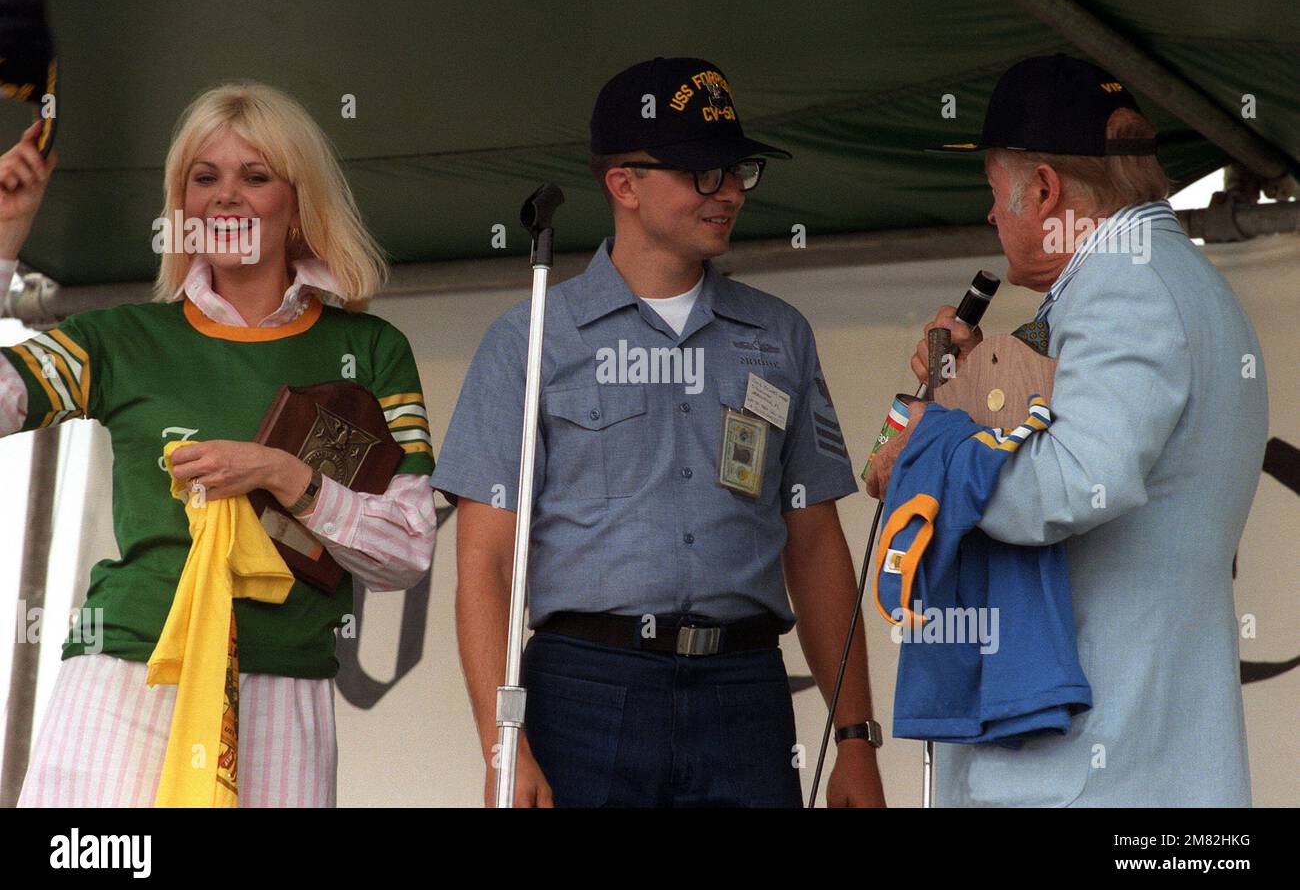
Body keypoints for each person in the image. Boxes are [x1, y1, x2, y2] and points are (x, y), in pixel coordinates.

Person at [433, 57, 886, 808]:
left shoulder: (780, 336)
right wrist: (503, 744)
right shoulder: (532, 337)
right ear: (624, 183)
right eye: (702, 173)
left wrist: (856, 737)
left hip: (743, 687)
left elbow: (815, 544)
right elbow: (484, 562)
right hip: (585, 688)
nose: (730, 190)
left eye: (737, 169)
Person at [0, 83, 438, 807]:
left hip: (283, 685)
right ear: (181, 204)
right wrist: (4, 241)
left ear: (301, 203)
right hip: (126, 672)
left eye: (255, 176)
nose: (226, 197)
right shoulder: (124, 337)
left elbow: (407, 549)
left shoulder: (369, 350)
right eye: (204, 177)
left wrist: (284, 473)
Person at [868, 53, 1268, 806]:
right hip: (1137, 758)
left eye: (996, 194)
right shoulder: (1171, 274)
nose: (992, 217)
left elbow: (1074, 479)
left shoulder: (1125, 282)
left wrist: (926, 440)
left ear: (1046, 188)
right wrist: (962, 389)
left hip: (1092, 766)